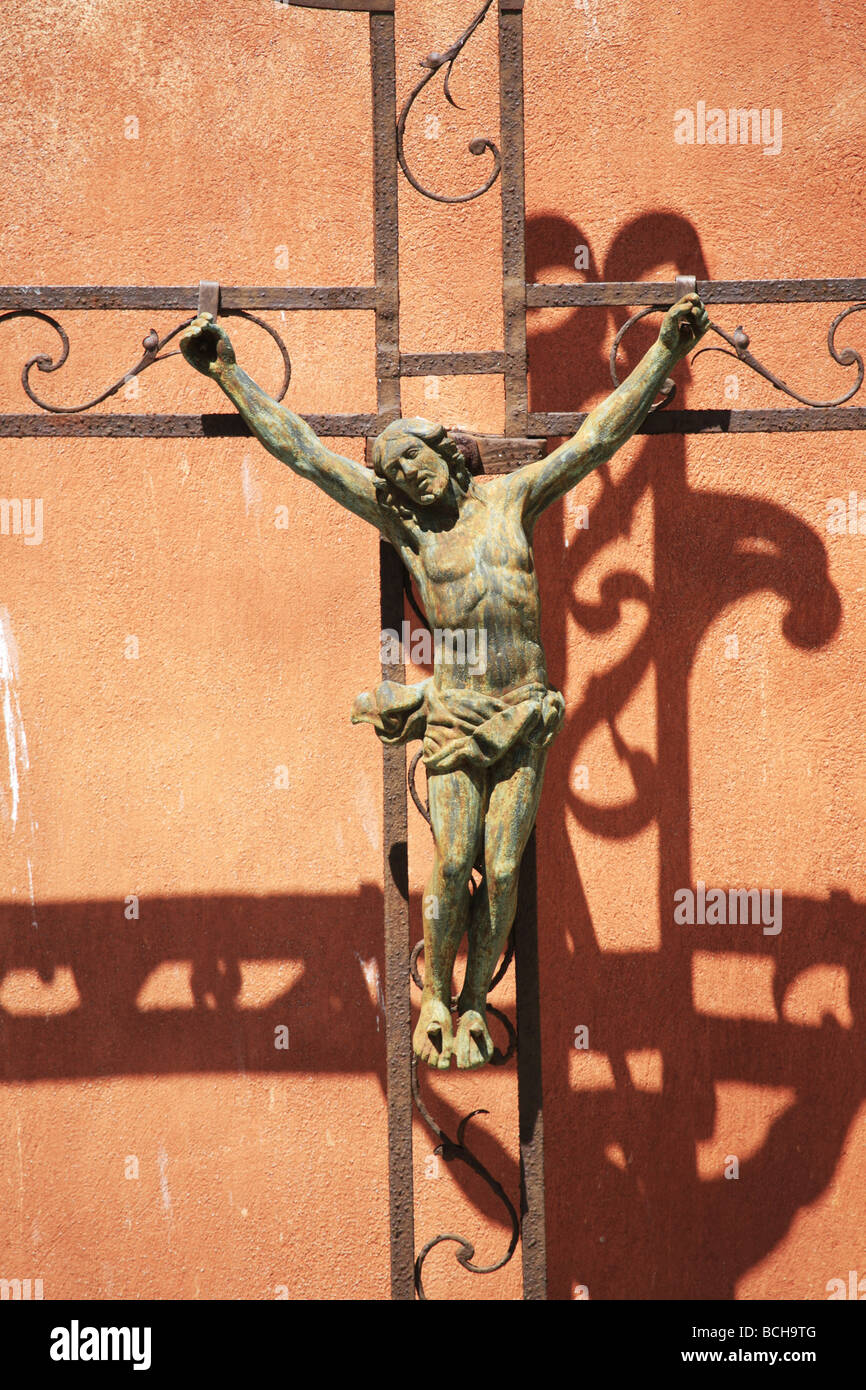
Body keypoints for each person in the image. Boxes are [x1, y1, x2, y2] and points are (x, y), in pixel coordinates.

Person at [180, 292, 710, 1068]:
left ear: (444, 452)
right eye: (396, 474)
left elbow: (598, 438)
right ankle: (434, 999)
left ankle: (472, 1004)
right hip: (458, 710)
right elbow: (305, 453)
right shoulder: (409, 530)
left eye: (414, 461)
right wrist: (229, 374)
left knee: (500, 869)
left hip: (525, 709)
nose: (410, 479)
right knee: (452, 861)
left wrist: (664, 353)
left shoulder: (511, 499)